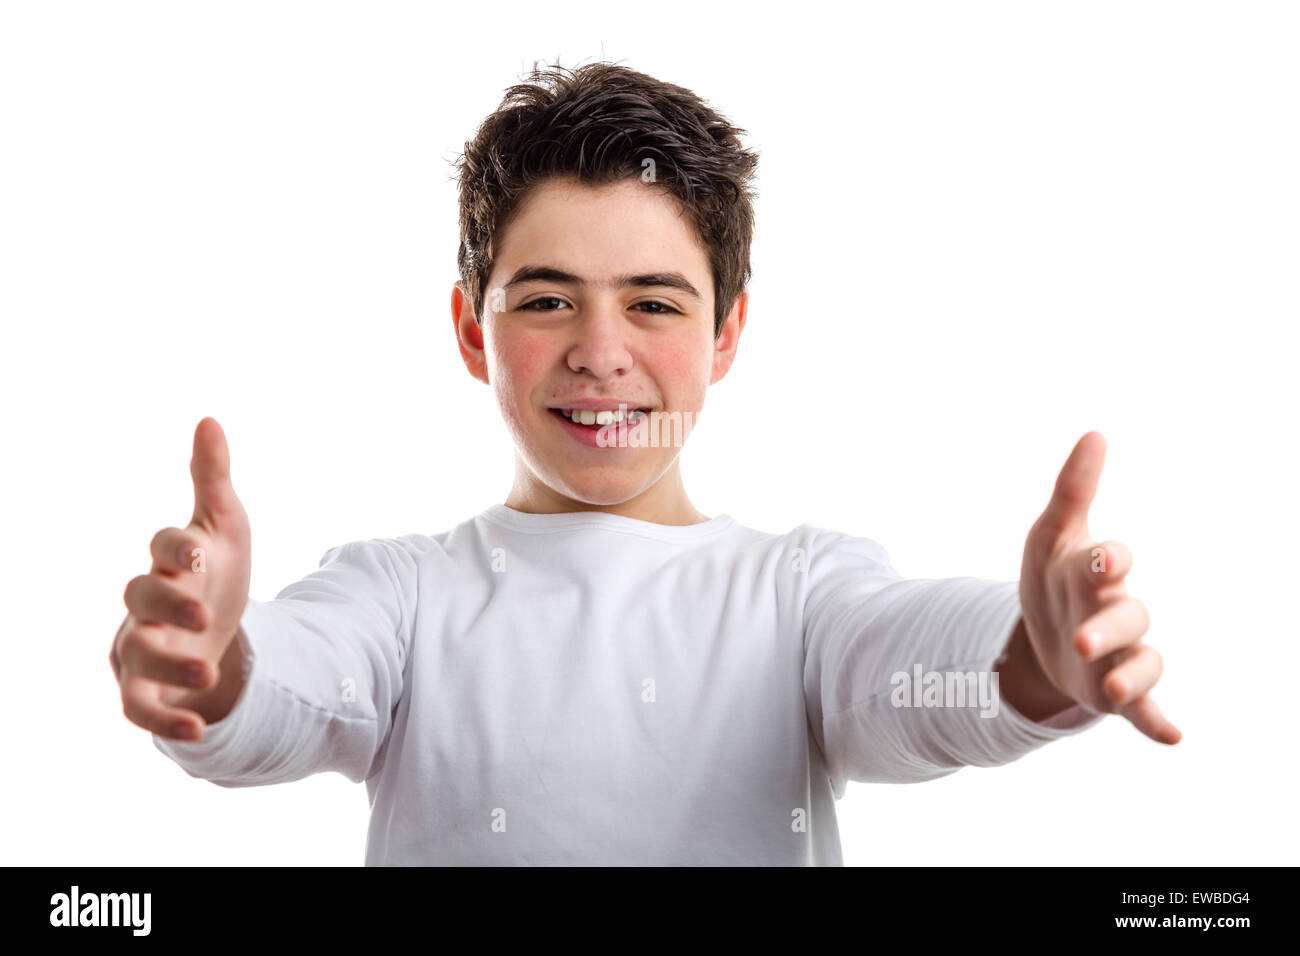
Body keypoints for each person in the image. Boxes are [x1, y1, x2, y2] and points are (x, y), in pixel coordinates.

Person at [110, 62, 1179, 866]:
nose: (599, 350)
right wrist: (212, 661)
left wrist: (1037, 659)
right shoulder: (403, 594)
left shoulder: (798, 594)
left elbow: (909, 671)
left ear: (726, 333)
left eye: (654, 301)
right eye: (545, 298)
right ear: (472, 332)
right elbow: (294, 685)